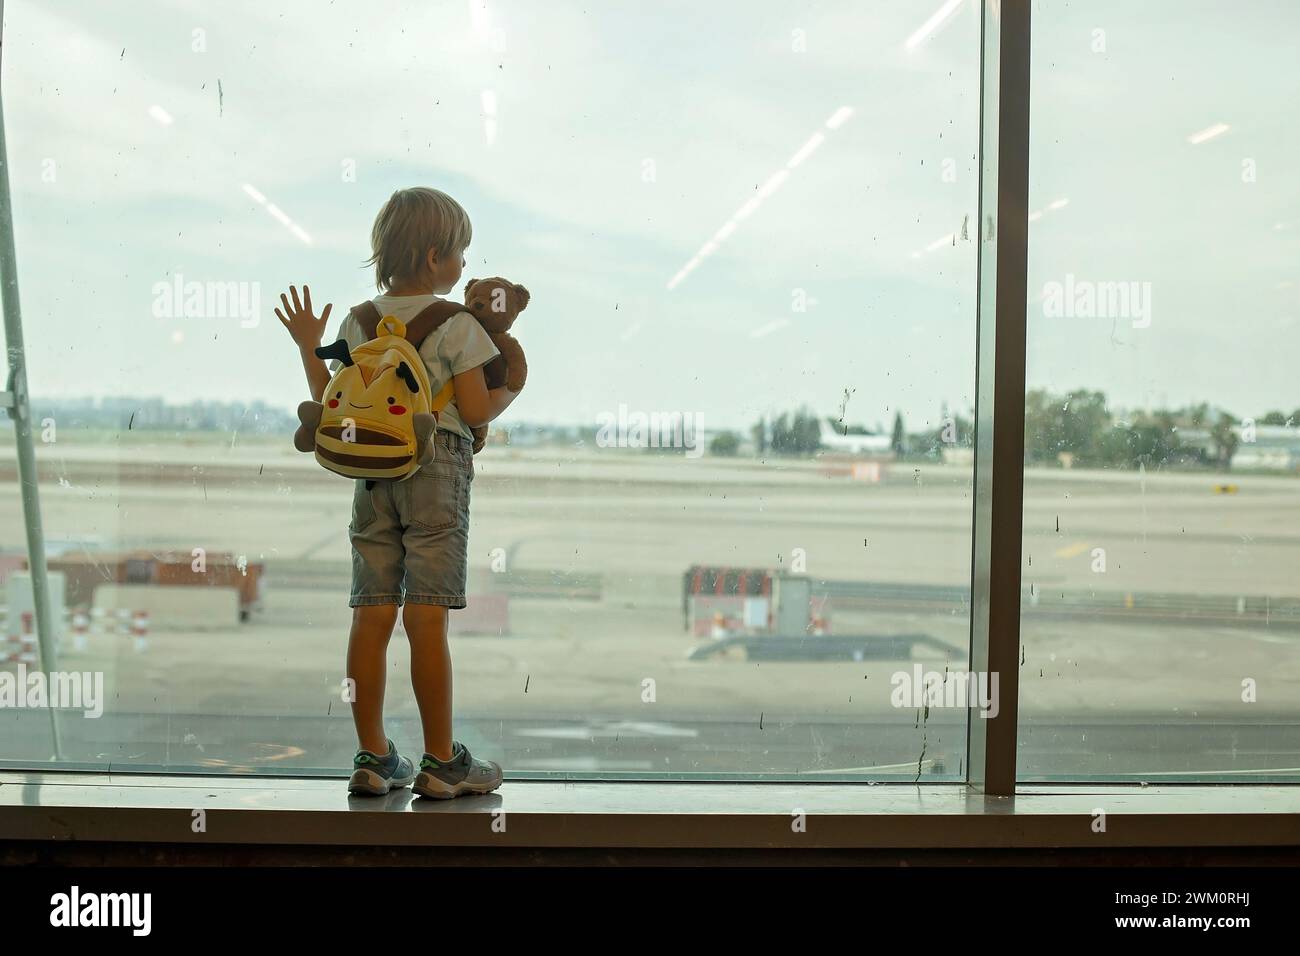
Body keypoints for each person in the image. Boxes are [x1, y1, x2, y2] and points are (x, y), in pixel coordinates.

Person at [276, 186, 518, 798]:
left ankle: (374, 756)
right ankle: (441, 761)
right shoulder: (457, 324)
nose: (464, 265)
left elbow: (335, 400)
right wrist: (508, 391)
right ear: (436, 257)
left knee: (372, 610)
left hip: (373, 473)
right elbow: (471, 407)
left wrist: (310, 343)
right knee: (427, 615)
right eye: (460, 253)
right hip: (435, 468)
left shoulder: (359, 320)